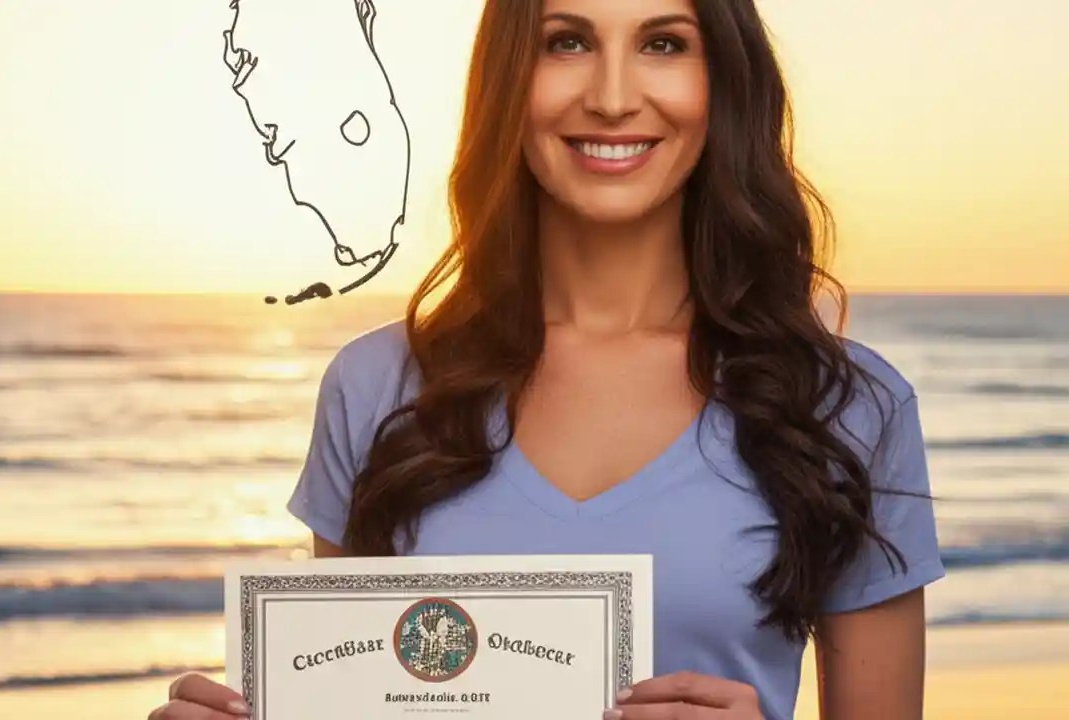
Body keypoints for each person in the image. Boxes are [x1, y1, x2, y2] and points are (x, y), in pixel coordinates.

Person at [149, 0, 945, 718]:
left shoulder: (849, 406)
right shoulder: (373, 386)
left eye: (664, 44)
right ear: (506, 80)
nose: (611, 96)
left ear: (726, 81)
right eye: (566, 42)